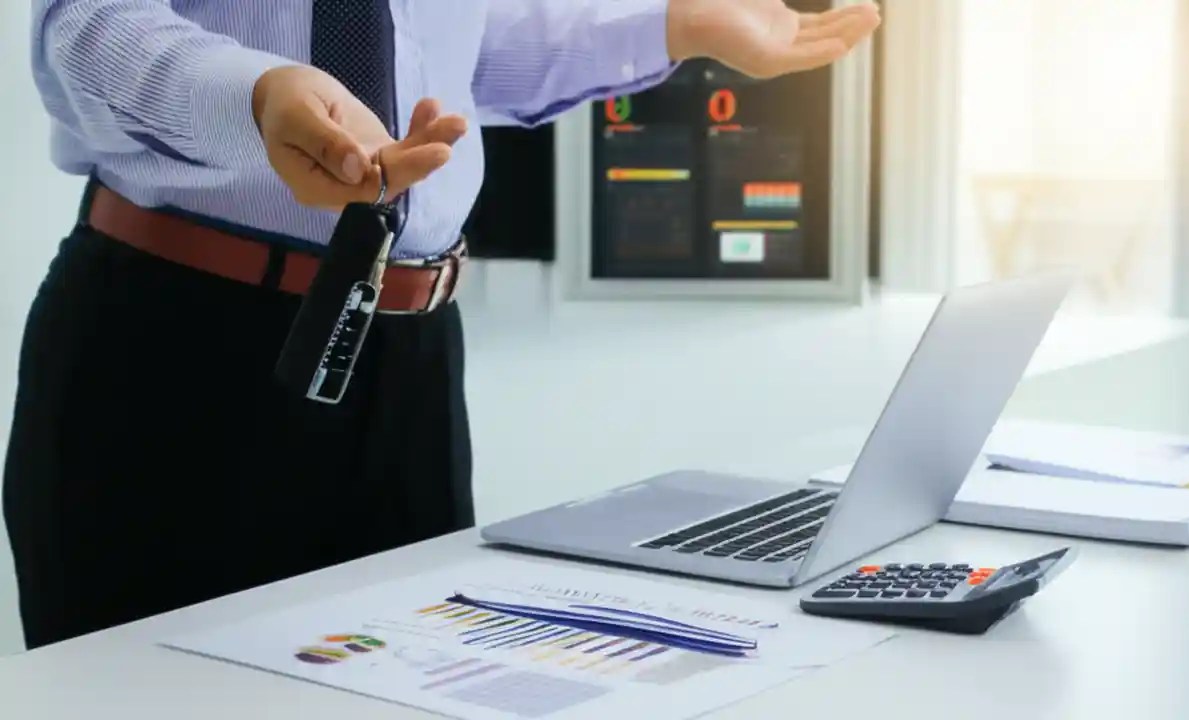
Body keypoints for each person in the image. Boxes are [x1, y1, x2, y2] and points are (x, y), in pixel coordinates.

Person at [3, 0, 881, 650]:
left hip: (408, 357)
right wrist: (258, 94)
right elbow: (86, 29)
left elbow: (460, 50)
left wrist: (673, 26)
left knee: (402, 683)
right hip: (176, 348)